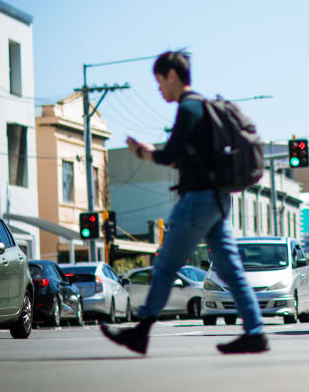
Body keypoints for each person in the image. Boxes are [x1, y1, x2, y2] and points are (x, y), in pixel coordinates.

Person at [101, 51, 268, 355]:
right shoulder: (205, 107)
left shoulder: (189, 109)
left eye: (159, 81)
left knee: (165, 267)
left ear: (172, 76)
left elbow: (170, 155)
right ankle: (255, 332)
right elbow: (192, 159)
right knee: (231, 270)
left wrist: (142, 151)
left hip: (198, 201)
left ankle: (140, 332)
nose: (159, 89)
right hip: (218, 199)